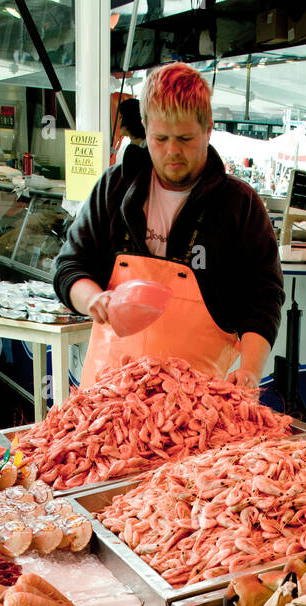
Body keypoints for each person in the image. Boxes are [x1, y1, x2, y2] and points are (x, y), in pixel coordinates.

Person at [54, 62, 284, 391]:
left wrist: (250, 368)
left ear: (208, 129)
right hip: (106, 397)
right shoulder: (113, 188)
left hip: (197, 406)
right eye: (160, 138)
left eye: (185, 138)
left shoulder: (239, 205)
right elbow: (69, 265)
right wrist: (91, 298)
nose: (172, 151)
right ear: (145, 129)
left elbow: (264, 295)